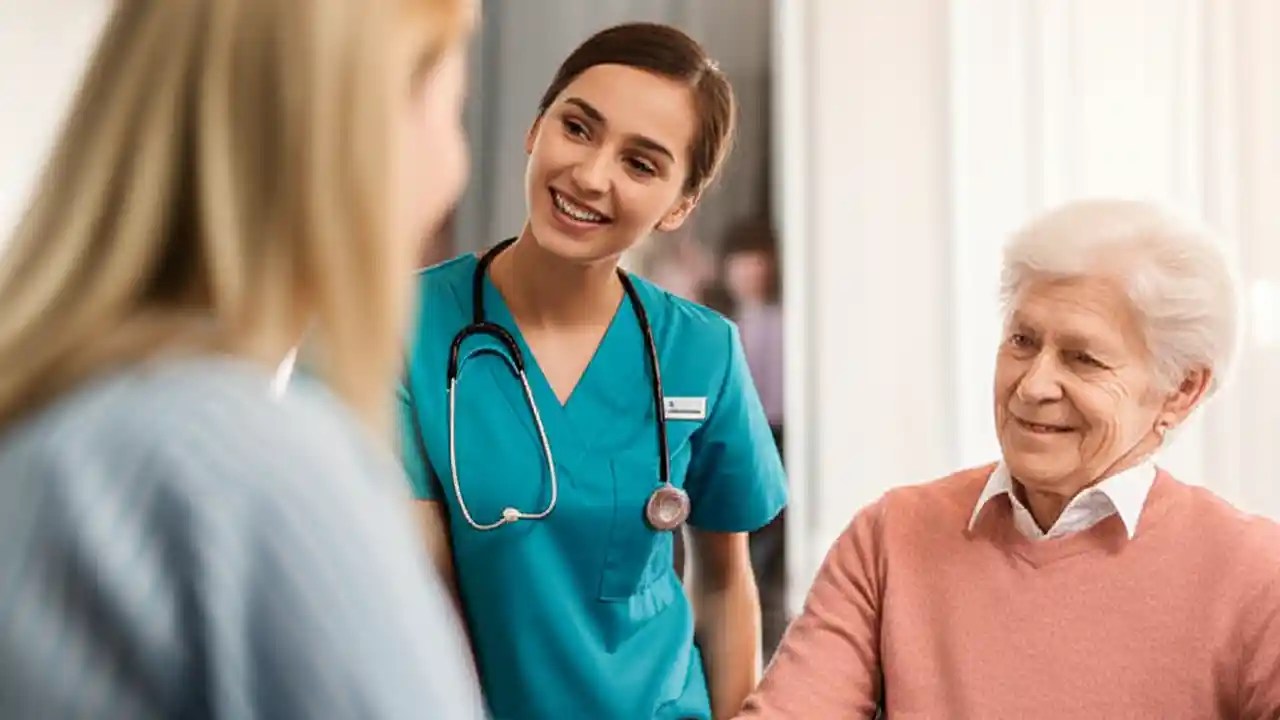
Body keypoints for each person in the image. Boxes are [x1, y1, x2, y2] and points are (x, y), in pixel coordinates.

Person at [0, 1, 485, 718]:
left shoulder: (54, 423)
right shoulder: (254, 469)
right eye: (453, 108)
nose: (456, 164)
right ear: (359, 129)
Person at [737, 199, 1280, 719]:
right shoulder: (891, 536)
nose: (1033, 384)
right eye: (1022, 340)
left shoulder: (1256, 574)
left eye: (1083, 358)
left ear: (1181, 390)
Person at [399, 22, 788, 720]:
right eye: (578, 128)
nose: (590, 174)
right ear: (534, 128)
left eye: (641, 164)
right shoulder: (406, 329)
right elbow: (417, 593)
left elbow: (727, 583)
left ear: (680, 206)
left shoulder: (703, 352)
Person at [718, 217, 787, 659]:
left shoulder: (787, 322)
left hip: (783, 433)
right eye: (740, 261)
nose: (749, 270)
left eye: (756, 260)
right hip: (745, 437)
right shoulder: (725, 328)